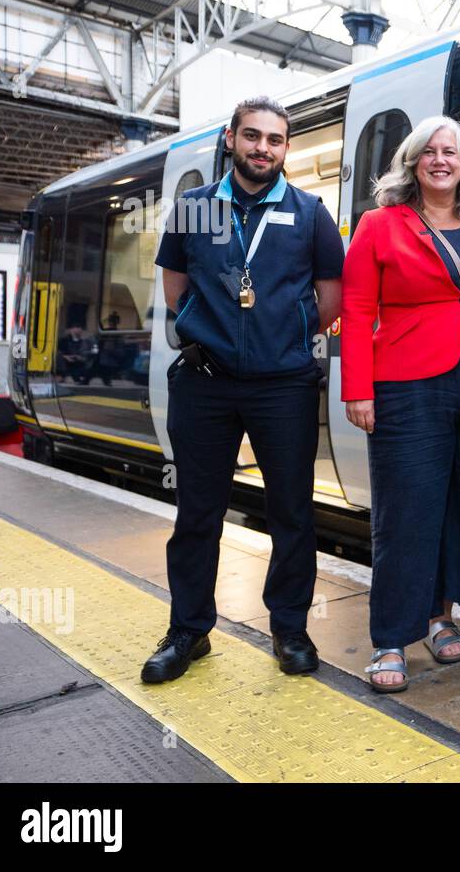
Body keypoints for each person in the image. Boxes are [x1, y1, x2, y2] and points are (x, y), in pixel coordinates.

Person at [142, 96, 344, 684]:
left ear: (287, 149)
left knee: (292, 512)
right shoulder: (194, 209)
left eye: (275, 140)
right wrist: (214, 337)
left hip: (284, 386)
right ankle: (189, 630)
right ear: (231, 139)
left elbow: (330, 299)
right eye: (252, 136)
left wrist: (284, 339)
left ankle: (290, 627)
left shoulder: (310, 213)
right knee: (197, 511)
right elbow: (177, 290)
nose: (263, 148)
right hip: (205, 383)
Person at [341, 116, 460, 693]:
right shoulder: (380, 224)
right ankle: (390, 637)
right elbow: (356, 310)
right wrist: (357, 387)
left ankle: (441, 615)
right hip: (406, 385)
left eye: (451, 152)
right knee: (406, 513)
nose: (440, 160)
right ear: (412, 163)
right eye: (429, 152)